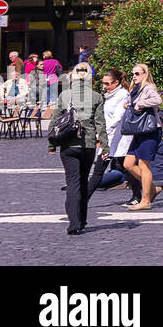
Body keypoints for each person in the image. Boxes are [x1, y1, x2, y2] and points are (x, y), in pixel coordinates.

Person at [47, 64, 106, 235]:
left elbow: (55, 120)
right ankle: (83, 219)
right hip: (87, 145)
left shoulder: (65, 95)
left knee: (72, 182)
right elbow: (101, 124)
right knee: (83, 182)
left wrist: (51, 144)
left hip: (68, 145)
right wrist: (105, 146)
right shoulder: (96, 97)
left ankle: (74, 222)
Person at [123, 62, 163, 210]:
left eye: (137, 74)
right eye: (133, 74)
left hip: (150, 131)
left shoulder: (148, 87)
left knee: (143, 165)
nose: (134, 76)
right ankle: (152, 188)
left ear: (145, 74)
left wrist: (140, 103)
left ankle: (146, 200)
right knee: (128, 163)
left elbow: (157, 100)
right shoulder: (135, 89)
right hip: (140, 131)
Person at [88, 69, 132, 198]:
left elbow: (117, 118)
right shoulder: (110, 95)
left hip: (119, 138)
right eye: (103, 83)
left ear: (116, 82)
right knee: (99, 170)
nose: (104, 86)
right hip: (109, 138)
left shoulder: (123, 95)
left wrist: (102, 134)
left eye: (107, 84)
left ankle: (141, 194)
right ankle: (83, 200)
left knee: (127, 169)